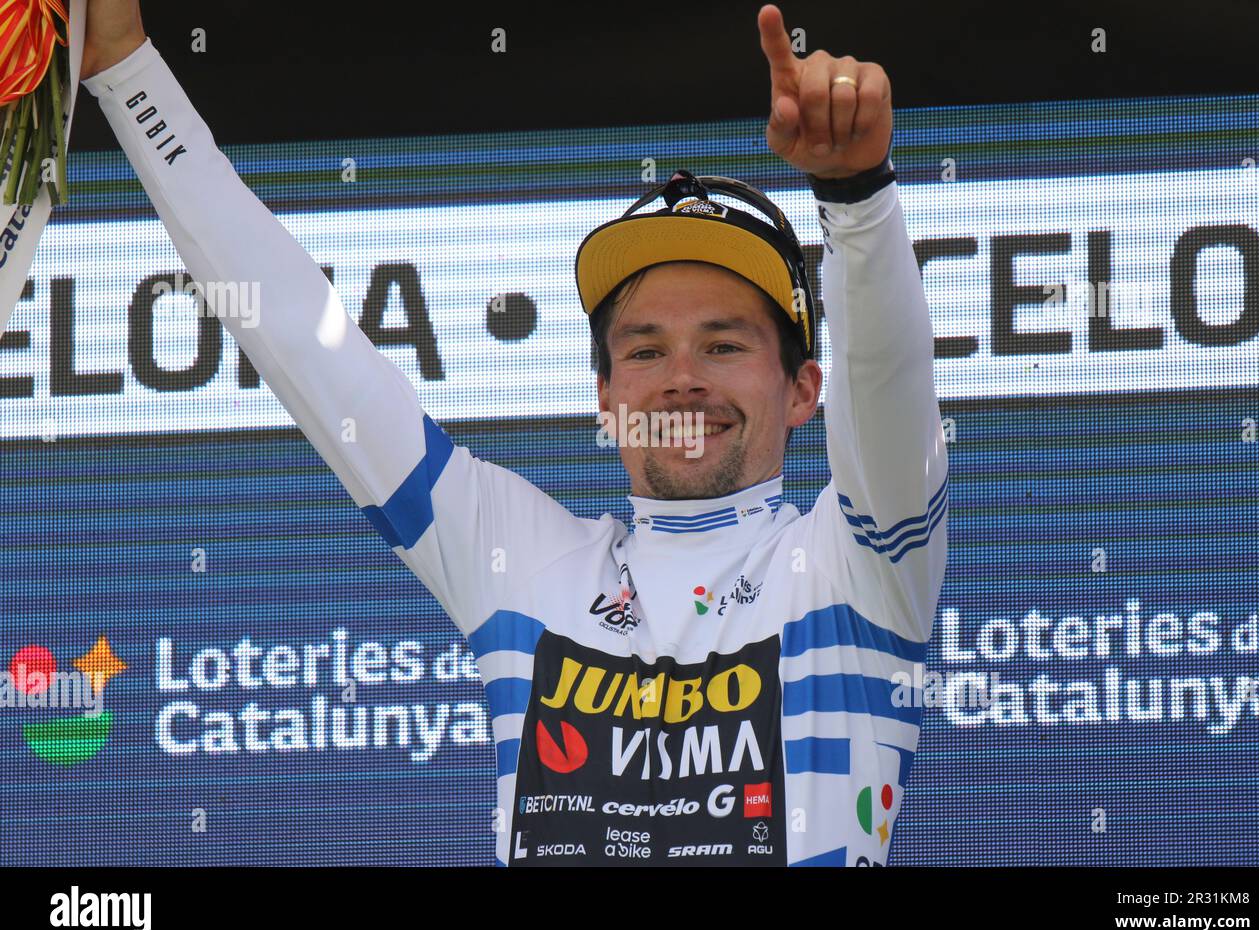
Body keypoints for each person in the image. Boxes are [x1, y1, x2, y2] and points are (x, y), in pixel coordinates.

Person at [81, 1, 948, 866]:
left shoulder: (857, 570)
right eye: (645, 350)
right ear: (605, 398)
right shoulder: (524, 563)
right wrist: (126, 75)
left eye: (724, 344)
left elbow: (889, 382)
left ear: (804, 391)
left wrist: (856, 199)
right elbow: (306, 342)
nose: (684, 376)